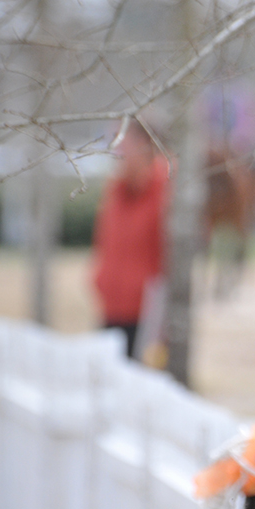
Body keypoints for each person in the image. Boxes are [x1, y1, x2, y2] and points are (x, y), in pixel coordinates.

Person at [91, 118, 169, 359]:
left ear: (144, 144)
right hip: (111, 308)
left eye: (121, 143)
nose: (116, 152)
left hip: (146, 317)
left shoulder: (166, 188)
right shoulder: (116, 189)